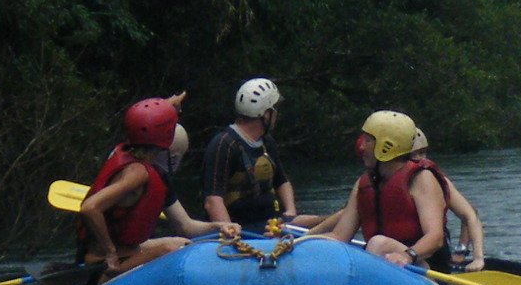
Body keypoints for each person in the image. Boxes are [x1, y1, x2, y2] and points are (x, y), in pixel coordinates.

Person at [303, 111, 489, 273]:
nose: (361, 147)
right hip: (387, 265)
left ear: (386, 145)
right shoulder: (364, 183)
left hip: (424, 268)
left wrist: (407, 256)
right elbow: (338, 237)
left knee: (377, 243)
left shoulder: (422, 179)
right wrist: (301, 244)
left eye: (368, 140)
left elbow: (435, 238)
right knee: (364, 246)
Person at [80, 94, 227, 280]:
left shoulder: (123, 153)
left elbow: (143, 121)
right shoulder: (138, 173)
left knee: (179, 240)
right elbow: (89, 207)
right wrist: (111, 253)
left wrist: (219, 226)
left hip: (127, 250)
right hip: (107, 264)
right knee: (175, 248)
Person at [201, 76, 300, 232]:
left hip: (271, 226)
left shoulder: (267, 142)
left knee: (322, 222)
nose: (276, 114)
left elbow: (282, 181)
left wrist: (290, 211)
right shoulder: (224, 145)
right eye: (274, 110)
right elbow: (212, 201)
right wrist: (232, 233)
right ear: (266, 114)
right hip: (241, 229)